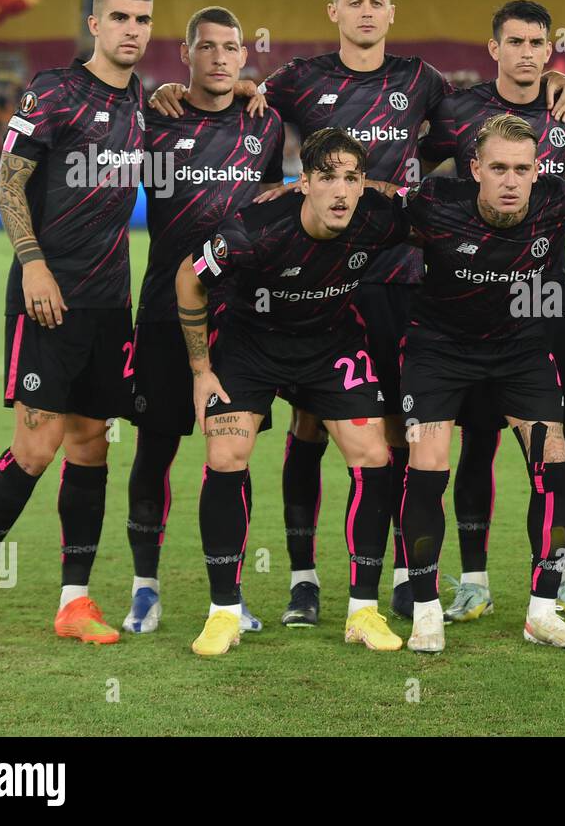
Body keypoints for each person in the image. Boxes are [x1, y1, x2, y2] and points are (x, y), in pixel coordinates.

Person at [151, 0, 565, 626]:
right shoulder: (300, 79)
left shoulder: (422, 81)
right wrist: (216, 84)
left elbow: (487, 118)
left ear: (391, 12)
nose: (365, 12)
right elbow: (241, 97)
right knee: (309, 427)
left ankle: (408, 582)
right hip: (317, 271)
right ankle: (302, 580)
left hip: (401, 274)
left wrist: (548, 80)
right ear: (334, 12)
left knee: (398, 439)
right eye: (353, 2)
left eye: (376, 2)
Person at [0, 0, 154, 646]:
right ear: (93, 25)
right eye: (120, 16)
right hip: (46, 300)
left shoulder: (147, 102)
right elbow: (8, 183)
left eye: (143, 19)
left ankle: (75, 603)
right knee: (36, 447)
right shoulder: (54, 91)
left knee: (92, 446)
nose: (132, 28)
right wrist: (33, 262)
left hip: (108, 306)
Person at [174, 127, 410, 656]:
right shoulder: (254, 231)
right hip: (249, 344)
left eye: (352, 178)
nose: (341, 192)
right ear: (303, 182)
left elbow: (435, 214)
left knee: (373, 454)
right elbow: (189, 278)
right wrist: (200, 369)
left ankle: (364, 611)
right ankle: (223, 613)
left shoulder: (376, 217)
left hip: (330, 344)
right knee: (227, 452)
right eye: (327, 178)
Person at [397, 114, 565, 653]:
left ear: (537, 171)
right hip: (439, 351)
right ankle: (425, 610)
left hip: (520, 351)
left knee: (555, 467)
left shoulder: (555, 201)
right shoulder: (433, 203)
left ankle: (541, 611)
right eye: (498, 168)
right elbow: (362, 209)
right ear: (475, 169)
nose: (511, 180)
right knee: (427, 470)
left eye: (522, 168)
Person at [417, 0, 565, 623]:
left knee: (559, 440)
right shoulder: (460, 110)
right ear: (493, 47)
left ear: (552, 49)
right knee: (477, 439)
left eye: (538, 43)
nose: (527, 52)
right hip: (472, 299)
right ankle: (473, 577)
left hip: (546, 297)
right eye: (516, 41)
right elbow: (415, 177)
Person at [122, 5, 285, 635]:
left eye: (231, 48)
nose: (220, 57)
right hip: (165, 311)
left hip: (240, 319)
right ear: (186, 54)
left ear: (245, 56)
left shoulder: (264, 123)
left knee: (231, 456)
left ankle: (230, 592)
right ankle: (144, 588)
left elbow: (270, 203)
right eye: (207, 47)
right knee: (154, 449)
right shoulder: (153, 120)